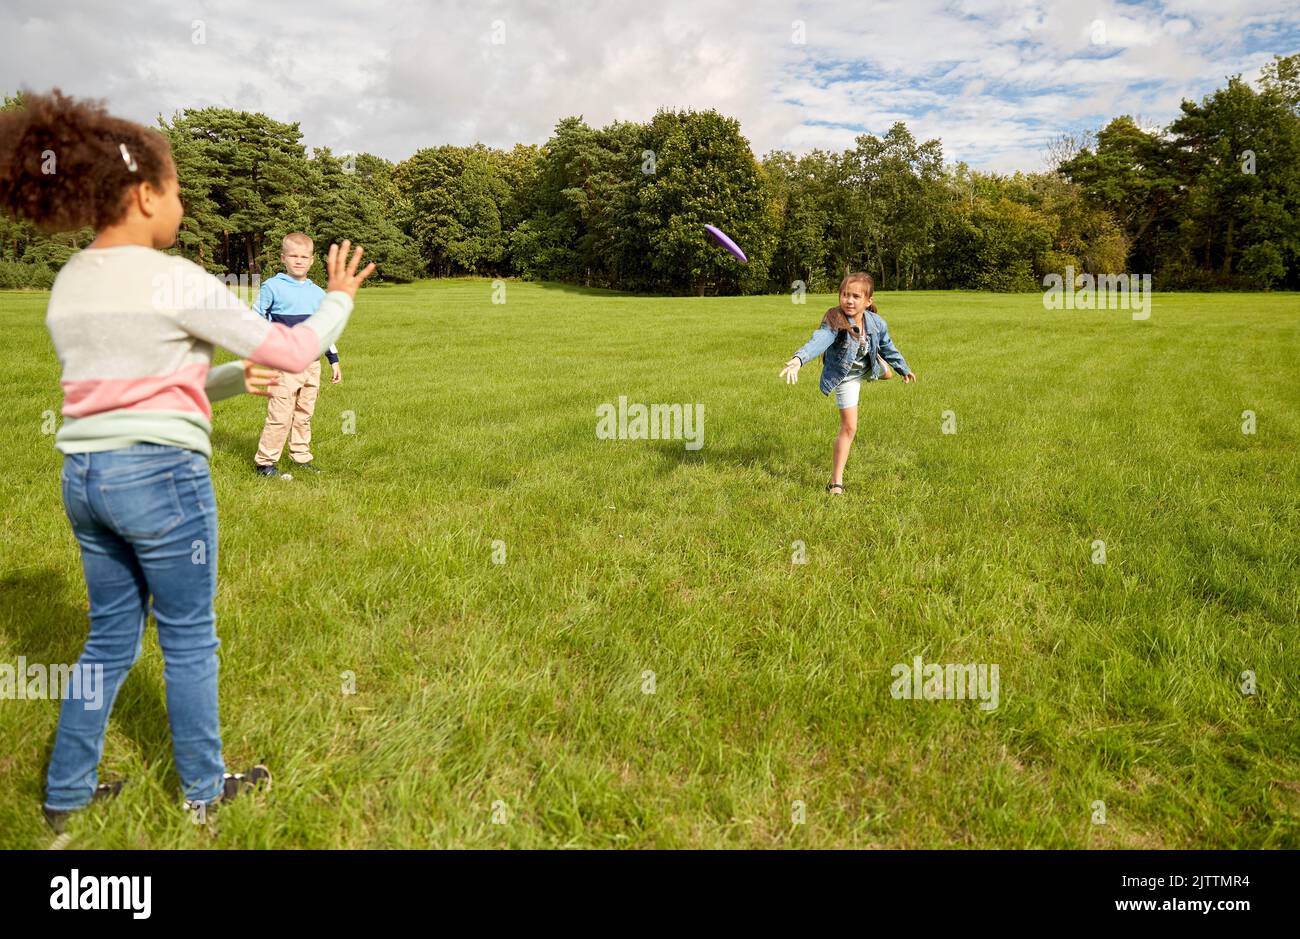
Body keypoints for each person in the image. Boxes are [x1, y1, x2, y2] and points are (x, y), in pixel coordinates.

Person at [0, 89, 375, 831]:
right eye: (177, 191)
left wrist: (237, 378)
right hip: (160, 479)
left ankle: (66, 792)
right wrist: (336, 299)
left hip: (86, 480)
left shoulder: (71, 280)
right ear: (144, 194)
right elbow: (296, 348)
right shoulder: (171, 276)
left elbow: (148, 386)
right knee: (189, 637)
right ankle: (204, 791)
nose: (184, 207)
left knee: (109, 633)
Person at [780, 272, 917, 494]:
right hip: (846, 376)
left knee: (886, 369)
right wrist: (799, 359)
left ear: (868, 301)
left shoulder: (876, 322)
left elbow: (888, 345)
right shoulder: (835, 319)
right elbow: (820, 339)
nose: (849, 300)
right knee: (850, 427)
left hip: (864, 365)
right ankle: (836, 483)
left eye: (855, 296)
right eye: (845, 295)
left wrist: (904, 368)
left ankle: (877, 365)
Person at [251, 232, 342, 477]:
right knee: (280, 414)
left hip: (312, 365)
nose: (299, 261)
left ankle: (300, 456)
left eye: (304, 257)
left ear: (312, 260)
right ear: (283, 258)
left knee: (304, 413)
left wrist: (333, 360)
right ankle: (265, 462)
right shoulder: (273, 287)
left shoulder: (318, 293)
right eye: (293, 256)